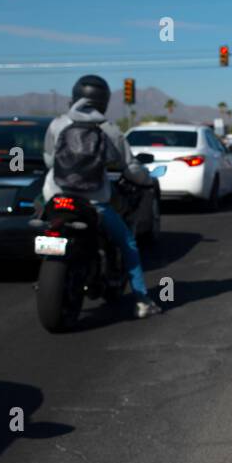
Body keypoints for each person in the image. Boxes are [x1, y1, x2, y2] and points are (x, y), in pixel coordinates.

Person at [43, 74, 159, 319]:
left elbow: (49, 159)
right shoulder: (109, 130)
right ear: (104, 102)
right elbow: (129, 168)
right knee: (128, 243)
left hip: (55, 196)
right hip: (93, 203)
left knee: (42, 222)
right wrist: (148, 181)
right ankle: (142, 301)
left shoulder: (57, 124)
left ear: (74, 97)